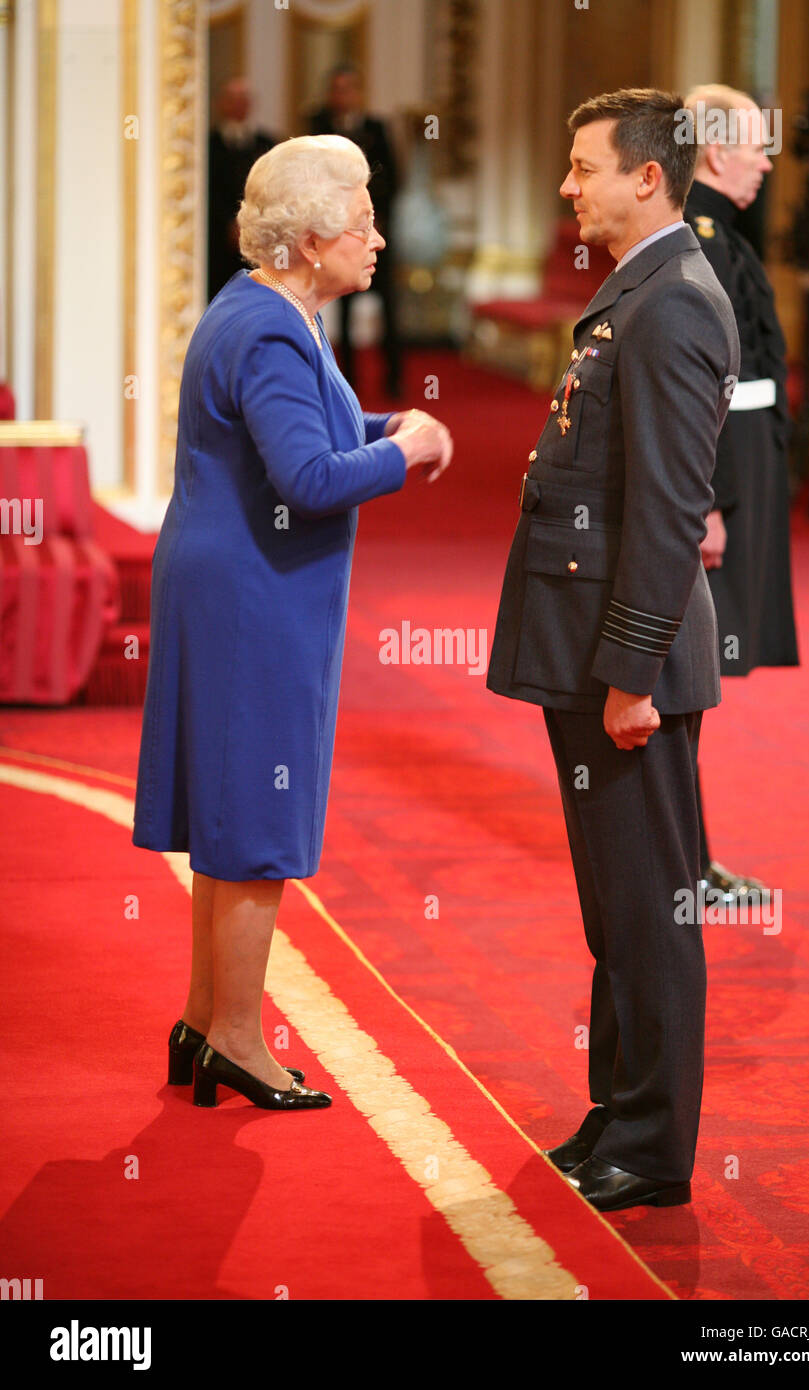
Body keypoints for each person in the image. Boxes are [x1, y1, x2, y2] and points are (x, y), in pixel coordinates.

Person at [133, 135, 452, 1111]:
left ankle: (203, 1019)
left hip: (235, 586)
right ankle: (234, 1034)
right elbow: (307, 479)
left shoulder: (264, 310)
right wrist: (410, 451)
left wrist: (381, 431)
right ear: (310, 239)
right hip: (252, 602)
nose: (376, 238)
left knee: (230, 817)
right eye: (360, 221)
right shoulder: (273, 329)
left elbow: (303, 437)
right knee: (255, 822)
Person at [486, 89, 739, 1211]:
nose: (565, 186)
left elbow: (669, 511)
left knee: (649, 905)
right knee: (615, 908)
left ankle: (652, 1145)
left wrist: (632, 673)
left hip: (621, 664)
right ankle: (617, 1113)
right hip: (591, 652)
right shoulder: (640, 289)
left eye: (582, 167)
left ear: (645, 177)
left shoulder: (671, 302)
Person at [683, 84, 799, 902]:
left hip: (742, 470)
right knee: (688, 678)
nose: (766, 160)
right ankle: (682, 866)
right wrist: (712, 500)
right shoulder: (705, 233)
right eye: (757, 145)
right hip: (725, 477)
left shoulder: (720, 229)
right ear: (718, 151)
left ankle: (689, 857)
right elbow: (706, 382)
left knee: (698, 683)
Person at [309, 65, 404, 396]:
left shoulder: (376, 128)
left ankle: (394, 380)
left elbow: (392, 178)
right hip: (337, 234)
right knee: (344, 305)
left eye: (348, 88)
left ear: (358, 93)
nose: (342, 95)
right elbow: (313, 180)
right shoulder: (318, 127)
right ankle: (345, 380)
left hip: (375, 227)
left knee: (390, 306)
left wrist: (370, 221)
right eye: (336, 89)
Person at [207, 77, 275, 302]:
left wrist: (250, 221)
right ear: (220, 103)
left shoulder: (267, 144)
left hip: (257, 235)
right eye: (231, 99)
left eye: (242, 99)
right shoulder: (208, 144)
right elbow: (209, 190)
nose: (237, 105)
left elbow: (271, 188)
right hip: (218, 238)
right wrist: (229, 222)